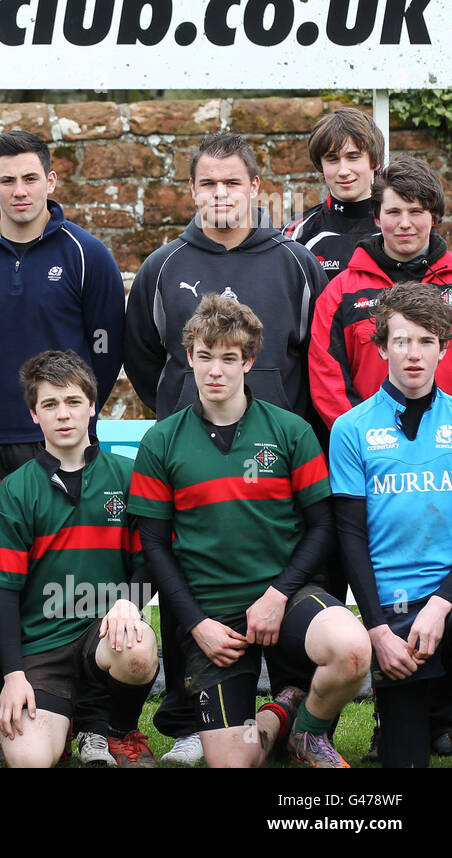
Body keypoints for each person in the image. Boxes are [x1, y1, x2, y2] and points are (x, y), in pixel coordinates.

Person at [123, 131, 327, 764]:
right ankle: (190, 716)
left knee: (284, 582)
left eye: (231, 182)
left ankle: (293, 705)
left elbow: (311, 354)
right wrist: (184, 427)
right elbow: (144, 358)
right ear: (192, 190)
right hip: (191, 462)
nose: (220, 193)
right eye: (207, 183)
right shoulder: (162, 266)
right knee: (193, 579)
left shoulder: (295, 263)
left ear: (255, 188)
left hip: (272, 460)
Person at [0, 128, 125, 764]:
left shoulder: (86, 254)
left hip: (65, 443)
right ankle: (0, 701)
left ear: (52, 181)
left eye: (30, 178)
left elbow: (106, 345)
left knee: (83, 579)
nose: (19, 191)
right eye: (7, 179)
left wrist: (67, 415)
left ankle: (97, 718)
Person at [127, 295, 370, 768]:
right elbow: (153, 544)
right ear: (189, 358)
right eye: (204, 356)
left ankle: (310, 732)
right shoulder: (161, 440)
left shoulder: (290, 431)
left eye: (228, 358)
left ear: (249, 361)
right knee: (235, 763)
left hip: (287, 595)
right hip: (213, 612)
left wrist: (279, 593)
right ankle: (279, 714)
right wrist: (198, 624)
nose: (214, 370)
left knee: (353, 651)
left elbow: (323, 526)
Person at [0, 350, 157, 768]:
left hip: (104, 634)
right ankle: (71, 725)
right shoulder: (15, 490)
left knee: (139, 649)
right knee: (29, 760)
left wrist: (129, 601)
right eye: (50, 404)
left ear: (93, 406)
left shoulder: (127, 477)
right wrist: (13, 675)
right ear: (33, 414)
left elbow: (150, 562)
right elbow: (2, 593)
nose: (64, 414)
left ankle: (113, 730)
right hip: (42, 650)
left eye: (74, 402)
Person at [331, 282, 452, 768]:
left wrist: (441, 603)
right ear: (381, 348)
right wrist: (377, 630)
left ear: (443, 349)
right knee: (404, 760)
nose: (414, 354)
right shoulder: (352, 428)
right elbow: (350, 536)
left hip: (448, 595)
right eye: (401, 341)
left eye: (426, 341)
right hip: (396, 613)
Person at [310, 158, 452, 430]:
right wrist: (362, 437)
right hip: (370, 448)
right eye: (394, 212)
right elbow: (326, 378)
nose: (405, 223)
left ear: (433, 217)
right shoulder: (342, 291)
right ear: (376, 217)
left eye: (416, 211)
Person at [283, 107, 385, 280]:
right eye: (332, 159)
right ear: (320, 168)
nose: (343, 171)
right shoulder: (296, 233)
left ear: (375, 162)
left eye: (353, 157)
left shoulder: (401, 227)